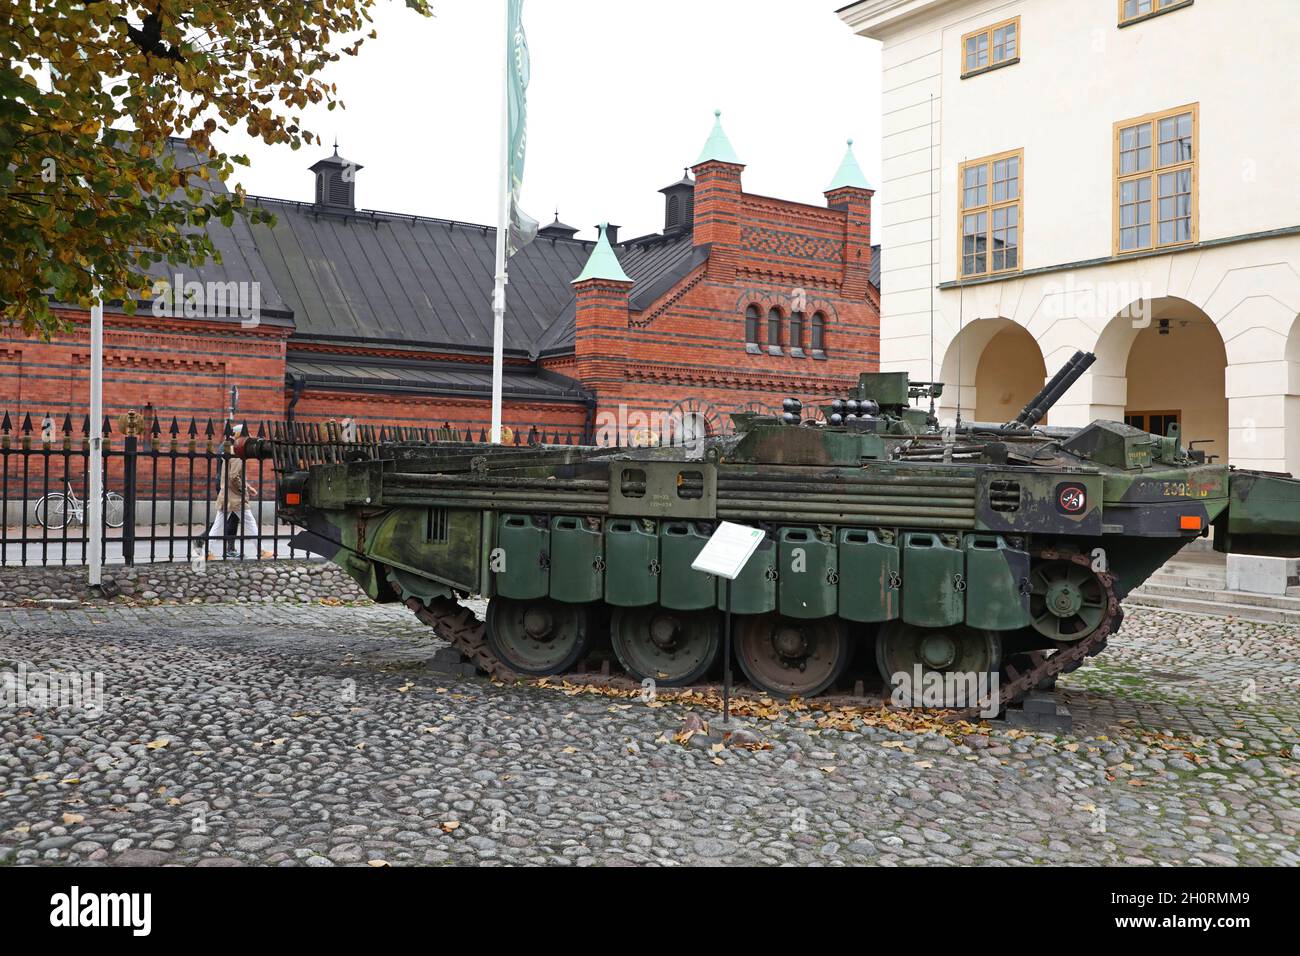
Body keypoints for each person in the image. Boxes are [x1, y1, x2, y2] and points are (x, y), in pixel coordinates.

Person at [206, 424, 272, 560]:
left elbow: (232, 475)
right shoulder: (236, 452)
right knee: (250, 522)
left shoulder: (229, 450)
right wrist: (243, 489)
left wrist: (247, 487)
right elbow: (233, 476)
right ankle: (261, 551)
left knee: (219, 524)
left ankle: (207, 552)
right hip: (235, 497)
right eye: (245, 436)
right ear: (238, 436)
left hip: (227, 495)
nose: (247, 439)